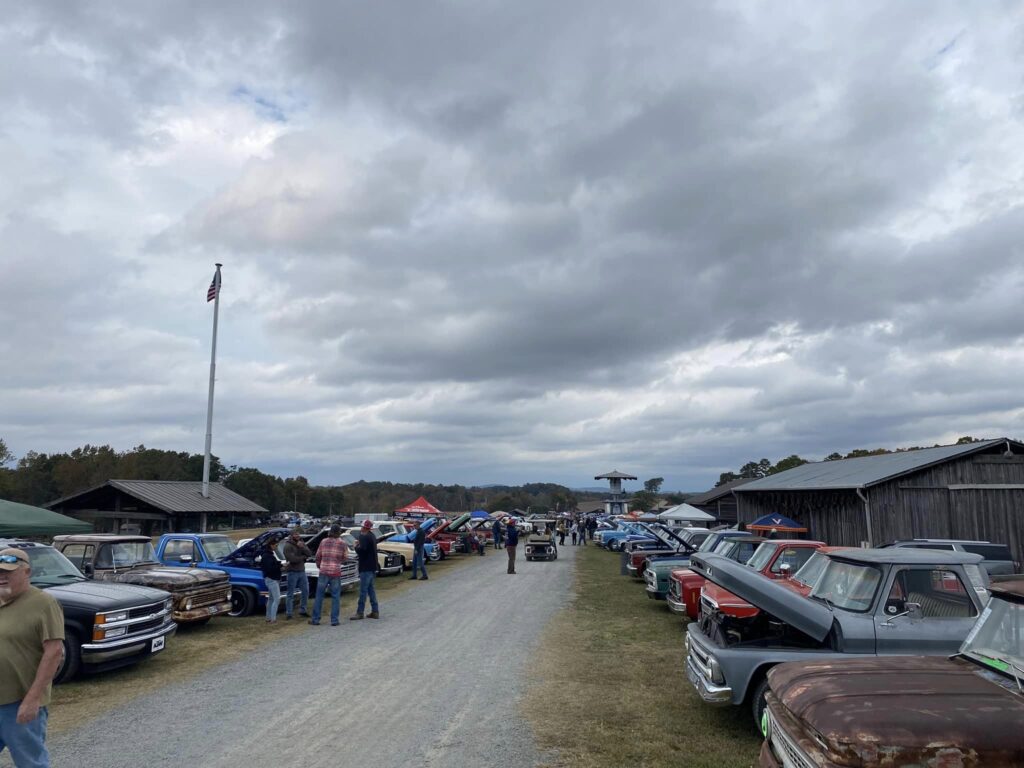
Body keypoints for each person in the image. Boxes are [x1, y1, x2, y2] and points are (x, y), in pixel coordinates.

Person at [0, 548, 65, 768]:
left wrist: (33, 699)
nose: (2, 577)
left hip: (19, 703)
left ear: (27, 572)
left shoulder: (44, 603)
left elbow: (54, 652)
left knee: (30, 763)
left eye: (8, 572)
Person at [310, 524, 349, 626]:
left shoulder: (323, 541)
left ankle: (315, 619)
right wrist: (338, 561)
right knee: (335, 596)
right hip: (335, 572)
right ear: (339, 532)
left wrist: (319, 566)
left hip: (324, 571)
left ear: (330, 532)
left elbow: (318, 556)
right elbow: (345, 558)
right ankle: (334, 620)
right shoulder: (343, 543)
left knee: (319, 596)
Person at [351, 520, 380, 620]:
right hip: (372, 566)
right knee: (371, 590)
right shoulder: (372, 536)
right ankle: (375, 611)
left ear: (364, 527)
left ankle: (360, 612)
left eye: (362, 527)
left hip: (365, 567)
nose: (361, 528)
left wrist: (356, 546)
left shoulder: (363, 536)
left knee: (363, 591)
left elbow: (362, 551)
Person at [282, 530, 311, 620]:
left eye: (298, 534)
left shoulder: (301, 543)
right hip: (292, 572)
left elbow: (309, 554)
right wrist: (303, 557)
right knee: (290, 593)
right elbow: (292, 559)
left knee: (306, 591)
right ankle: (289, 613)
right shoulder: (287, 546)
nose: (297, 535)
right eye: (295, 534)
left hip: (302, 571)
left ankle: (303, 610)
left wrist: (302, 547)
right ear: (291, 535)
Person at [260, 538, 282, 623]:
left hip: (271, 578)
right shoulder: (267, 556)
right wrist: (280, 566)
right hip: (272, 579)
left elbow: (273, 565)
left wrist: (279, 564)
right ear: (271, 545)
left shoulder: (268, 555)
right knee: (277, 599)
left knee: (271, 599)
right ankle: (273, 618)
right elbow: (270, 569)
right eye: (276, 545)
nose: (276, 546)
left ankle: (268, 617)